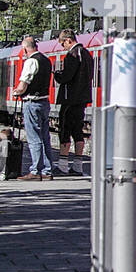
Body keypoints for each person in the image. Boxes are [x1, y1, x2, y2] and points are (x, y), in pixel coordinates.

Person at [10, 35, 55, 181]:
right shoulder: (46, 60)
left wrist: (16, 91)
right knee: (45, 137)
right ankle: (47, 171)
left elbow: (23, 85)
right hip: (45, 102)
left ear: (24, 49)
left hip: (32, 102)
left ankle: (35, 171)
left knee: (34, 137)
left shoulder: (31, 61)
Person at [52, 31, 93, 176]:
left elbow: (67, 76)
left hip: (70, 99)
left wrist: (57, 74)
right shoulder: (87, 55)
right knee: (78, 131)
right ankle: (78, 166)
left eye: (62, 43)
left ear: (68, 40)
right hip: (83, 98)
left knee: (65, 130)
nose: (62, 47)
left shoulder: (72, 55)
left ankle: (63, 165)